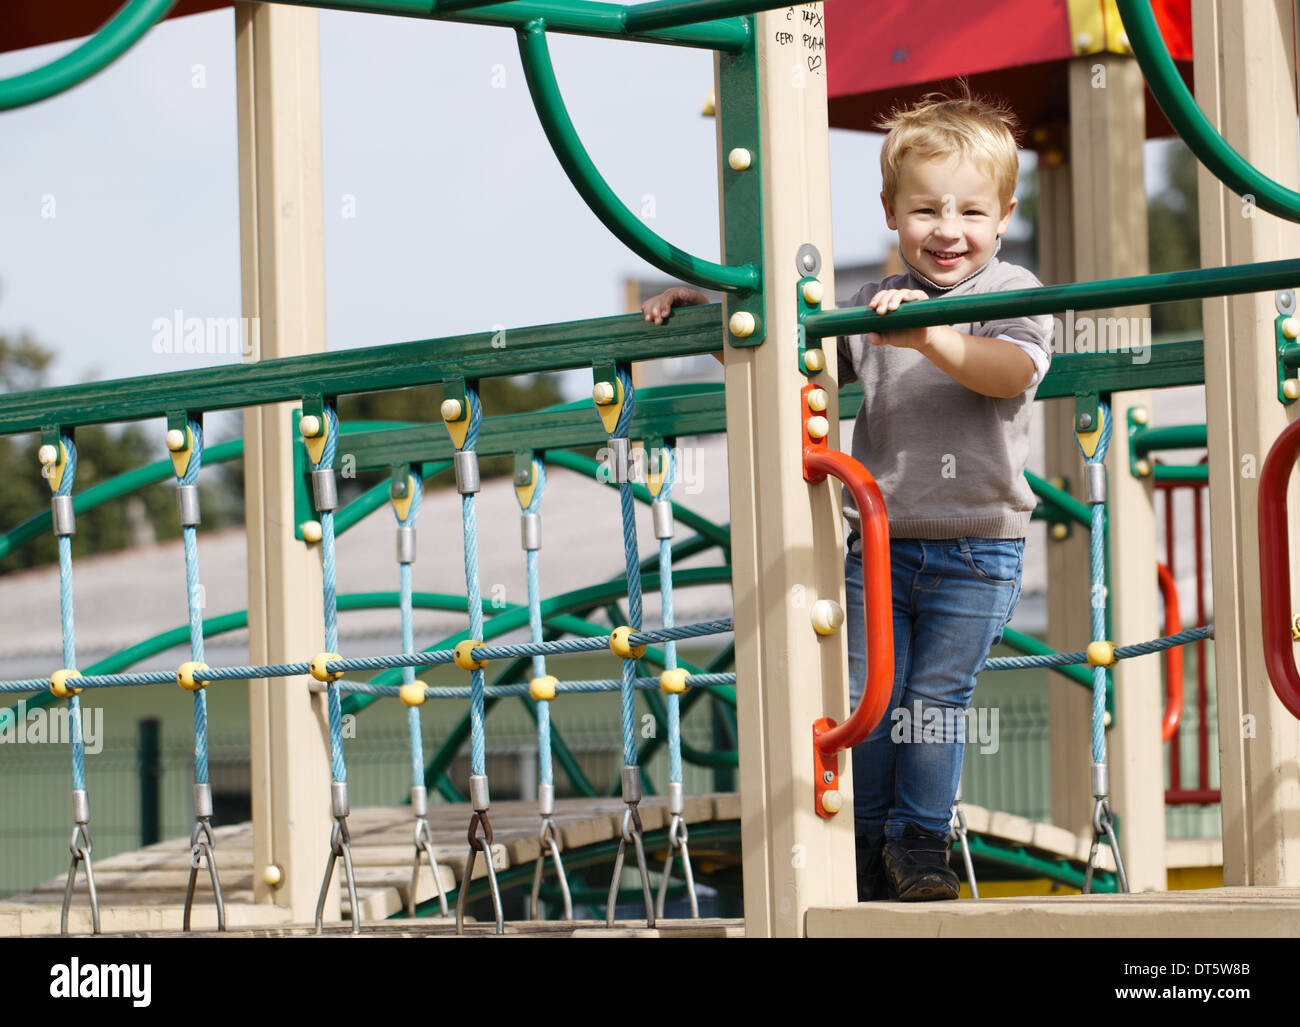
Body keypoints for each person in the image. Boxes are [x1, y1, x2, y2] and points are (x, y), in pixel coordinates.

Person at [642, 85, 1052, 902]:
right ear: (891, 214)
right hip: (881, 541)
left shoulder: (1011, 289)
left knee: (936, 697)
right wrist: (724, 318)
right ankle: (866, 843)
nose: (948, 230)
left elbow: (1011, 373)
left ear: (1003, 215)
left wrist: (931, 336)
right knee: (869, 695)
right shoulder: (873, 305)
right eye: (926, 210)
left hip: (979, 543)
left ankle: (921, 844)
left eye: (971, 211)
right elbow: (806, 363)